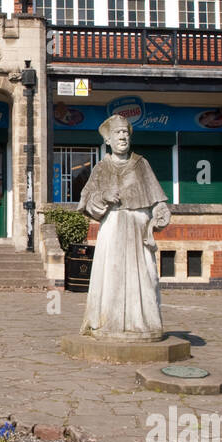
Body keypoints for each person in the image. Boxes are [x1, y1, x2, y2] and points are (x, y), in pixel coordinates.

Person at [78, 114, 172, 341]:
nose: (122, 137)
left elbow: (157, 199)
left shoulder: (142, 164)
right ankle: (108, 323)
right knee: (112, 275)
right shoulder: (101, 168)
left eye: (125, 133)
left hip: (138, 229)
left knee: (145, 277)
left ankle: (144, 324)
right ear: (108, 140)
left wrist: (160, 211)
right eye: (117, 134)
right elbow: (85, 201)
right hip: (112, 229)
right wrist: (103, 196)